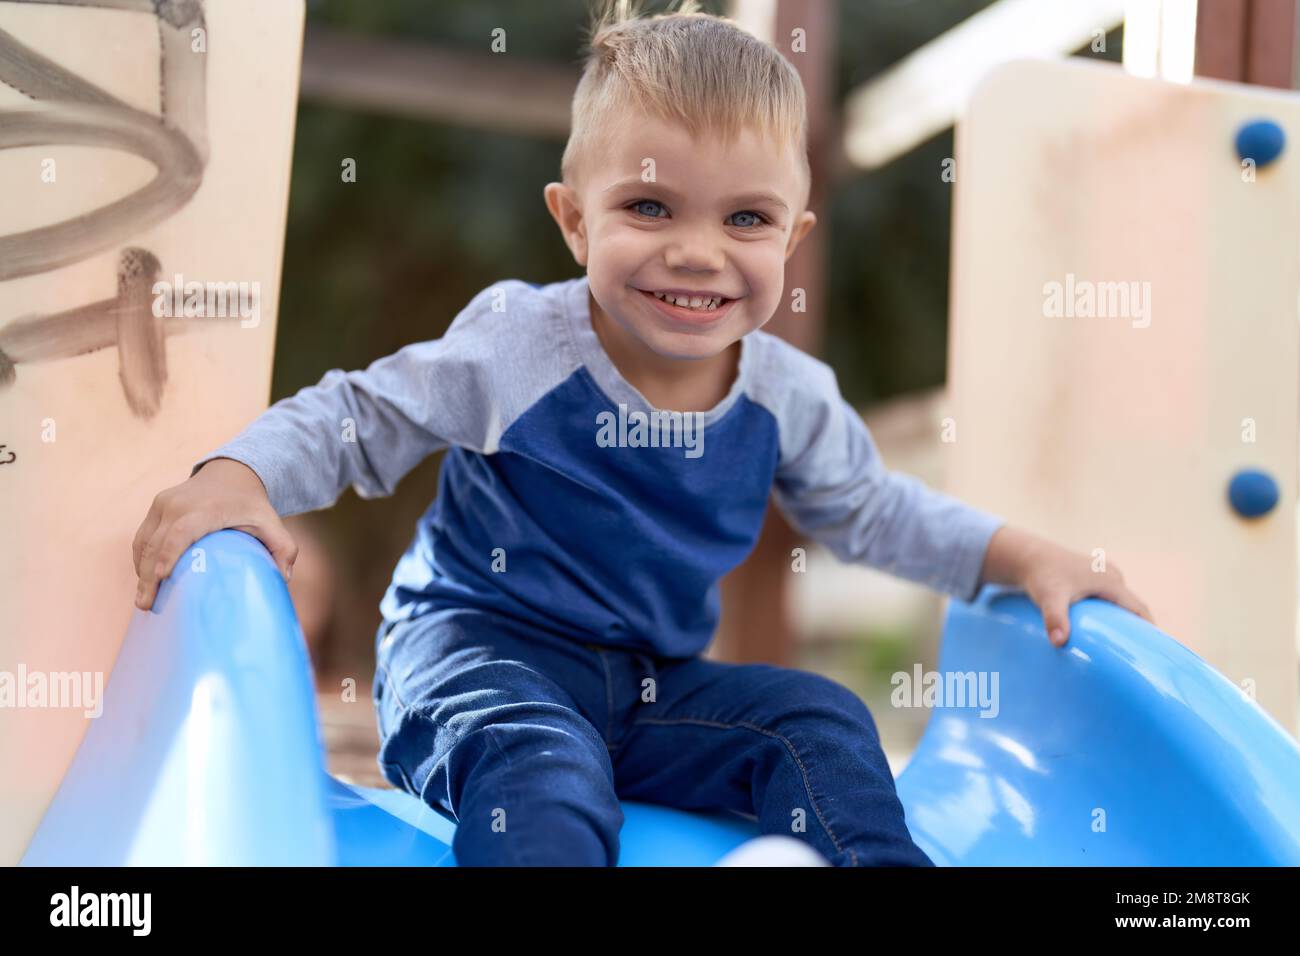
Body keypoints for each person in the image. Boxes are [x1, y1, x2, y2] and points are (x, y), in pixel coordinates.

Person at [131, 1, 1152, 866]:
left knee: (820, 718)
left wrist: (1024, 555)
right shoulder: (521, 345)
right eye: (651, 205)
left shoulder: (785, 395)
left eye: (746, 219)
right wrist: (237, 472)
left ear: (794, 235)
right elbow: (361, 417)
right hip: (479, 654)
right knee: (537, 765)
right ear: (576, 221)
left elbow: (873, 512)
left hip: (655, 688)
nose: (699, 252)